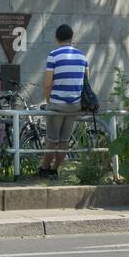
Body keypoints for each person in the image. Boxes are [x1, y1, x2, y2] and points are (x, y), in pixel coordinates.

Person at [39, 24, 89, 178]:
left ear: (56, 38)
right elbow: (86, 83)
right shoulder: (82, 57)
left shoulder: (53, 55)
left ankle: (44, 169)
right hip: (75, 105)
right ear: (72, 37)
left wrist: (49, 102)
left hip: (57, 105)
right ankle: (55, 170)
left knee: (52, 140)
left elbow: (48, 84)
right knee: (65, 140)